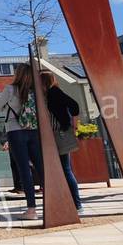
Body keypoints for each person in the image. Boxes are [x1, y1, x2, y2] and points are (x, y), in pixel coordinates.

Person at [0, 64, 41, 221]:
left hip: (15, 131)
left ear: (18, 74)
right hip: (34, 131)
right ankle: (55, 202)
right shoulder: (36, 90)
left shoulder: (10, 89)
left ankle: (31, 210)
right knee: (40, 168)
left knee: (24, 170)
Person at [42, 71, 84, 213]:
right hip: (56, 133)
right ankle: (71, 203)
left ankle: (77, 204)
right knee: (63, 169)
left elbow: (74, 105)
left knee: (65, 169)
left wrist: (74, 125)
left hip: (58, 133)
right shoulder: (49, 93)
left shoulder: (54, 92)